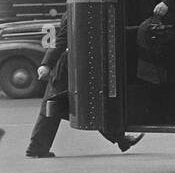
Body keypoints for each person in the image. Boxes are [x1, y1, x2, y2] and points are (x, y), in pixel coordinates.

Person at [26, 13, 144, 157]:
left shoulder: (72, 11)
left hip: (68, 66)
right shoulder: (75, 13)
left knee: (58, 106)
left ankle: (37, 147)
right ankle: (120, 139)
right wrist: (46, 64)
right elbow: (62, 39)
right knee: (76, 105)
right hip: (67, 68)